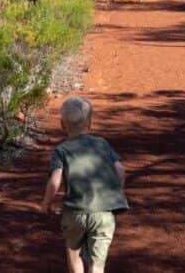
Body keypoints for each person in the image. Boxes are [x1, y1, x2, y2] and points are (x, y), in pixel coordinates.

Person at [41, 96, 128, 273]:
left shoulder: (61, 150)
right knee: (97, 263)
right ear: (90, 123)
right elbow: (120, 170)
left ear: (62, 124)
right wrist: (115, 192)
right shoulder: (102, 144)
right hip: (103, 212)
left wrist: (46, 204)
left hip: (75, 212)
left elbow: (55, 180)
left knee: (73, 253)